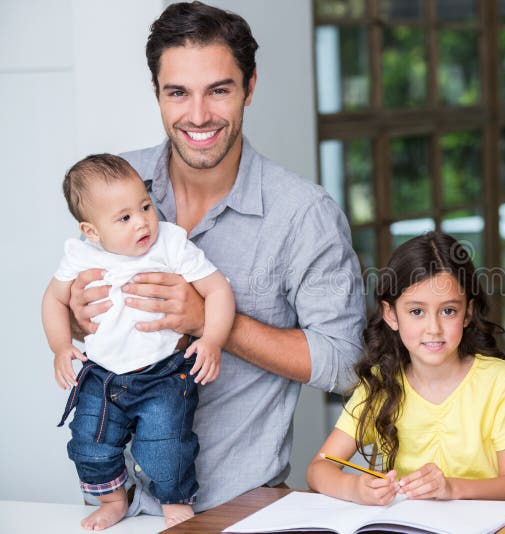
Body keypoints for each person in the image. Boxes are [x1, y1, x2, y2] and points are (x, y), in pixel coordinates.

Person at [66, 1, 365, 518]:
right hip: (115, 508)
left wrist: (210, 321)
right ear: (157, 93)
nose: (198, 115)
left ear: (249, 88)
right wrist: (75, 313)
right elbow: (78, 318)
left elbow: (347, 364)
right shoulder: (114, 187)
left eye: (219, 90)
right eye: (177, 92)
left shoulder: (303, 214)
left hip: (238, 510)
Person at [42, 154, 235, 529]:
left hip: (162, 375)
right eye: (124, 218)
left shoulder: (170, 244)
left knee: (165, 445)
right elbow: (53, 298)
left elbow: (218, 291)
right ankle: (114, 500)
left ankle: (176, 498)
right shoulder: (80, 255)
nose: (143, 221)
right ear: (92, 231)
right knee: (89, 443)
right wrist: (60, 346)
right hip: (101, 376)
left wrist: (212, 339)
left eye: (145, 206)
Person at [307, 232, 505, 504]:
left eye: (448, 311)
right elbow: (318, 469)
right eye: (416, 311)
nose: (433, 328)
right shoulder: (380, 384)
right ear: (391, 315)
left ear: (468, 313)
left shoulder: (502, 381)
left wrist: (450, 488)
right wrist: (355, 488)